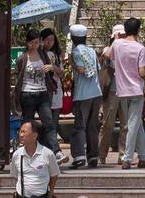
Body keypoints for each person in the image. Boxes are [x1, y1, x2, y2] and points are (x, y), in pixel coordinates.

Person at [107, 17, 145, 169]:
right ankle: (127, 158)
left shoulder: (117, 44)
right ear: (138, 30)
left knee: (137, 123)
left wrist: (115, 39)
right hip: (135, 90)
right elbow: (141, 72)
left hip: (121, 90)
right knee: (133, 124)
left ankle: (143, 156)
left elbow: (109, 55)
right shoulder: (140, 48)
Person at [13, 29, 58, 152]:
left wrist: (51, 67)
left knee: (48, 123)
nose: (34, 45)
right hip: (27, 95)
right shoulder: (22, 58)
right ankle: (26, 150)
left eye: (37, 43)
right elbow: (18, 76)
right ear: (27, 43)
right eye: (31, 43)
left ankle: (56, 151)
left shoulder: (43, 55)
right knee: (28, 124)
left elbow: (52, 70)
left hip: (43, 93)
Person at [68, 24, 101, 168]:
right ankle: (93, 156)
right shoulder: (92, 51)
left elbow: (82, 69)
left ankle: (79, 157)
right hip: (96, 92)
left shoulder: (76, 52)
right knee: (92, 126)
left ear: (74, 39)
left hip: (83, 94)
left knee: (79, 126)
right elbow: (97, 69)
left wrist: (71, 64)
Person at [11, 120, 58, 198]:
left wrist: (50, 192)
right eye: (20, 131)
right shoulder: (17, 155)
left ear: (34, 135)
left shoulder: (47, 154)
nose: (21, 135)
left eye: (24, 132)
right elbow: (16, 176)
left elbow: (54, 175)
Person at [97, 24, 125, 165]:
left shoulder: (128, 47)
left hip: (125, 91)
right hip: (112, 91)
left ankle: (123, 154)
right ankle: (101, 154)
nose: (122, 37)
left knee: (125, 125)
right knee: (107, 124)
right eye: (120, 35)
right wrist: (116, 40)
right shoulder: (108, 49)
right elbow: (108, 56)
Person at [40, 29, 65, 160]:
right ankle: (53, 151)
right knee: (47, 123)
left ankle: (51, 152)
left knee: (53, 123)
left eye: (52, 40)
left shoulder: (56, 55)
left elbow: (62, 73)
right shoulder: (38, 54)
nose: (49, 42)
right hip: (44, 93)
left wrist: (53, 67)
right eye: (47, 40)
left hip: (56, 91)